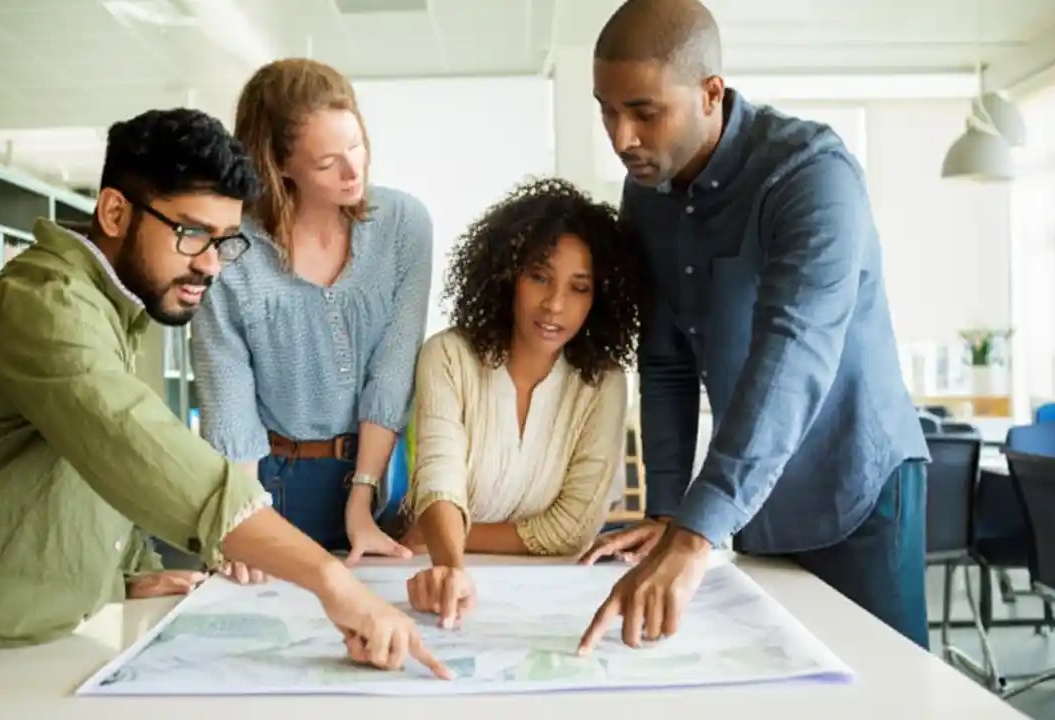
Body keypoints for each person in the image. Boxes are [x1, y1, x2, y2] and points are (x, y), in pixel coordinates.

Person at [0, 108, 449, 718]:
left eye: (224, 243)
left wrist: (129, 569)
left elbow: (78, 464)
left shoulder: (118, 306)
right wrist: (333, 585)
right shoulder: (47, 305)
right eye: (191, 233)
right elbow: (131, 442)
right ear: (115, 211)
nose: (208, 263)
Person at [577, 0, 931, 654]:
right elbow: (666, 361)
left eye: (644, 112)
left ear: (711, 93)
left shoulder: (810, 175)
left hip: (854, 482)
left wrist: (695, 533)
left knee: (887, 685)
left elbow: (792, 358)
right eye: (606, 108)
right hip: (751, 495)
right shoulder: (644, 194)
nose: (620, 135)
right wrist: (666, 509)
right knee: (788, 680)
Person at [192, 58, 432, 564]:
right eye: (327, 163)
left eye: (357, 146)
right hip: (266, 484)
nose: (353, 171)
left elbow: (392, 372)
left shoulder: (403, 225)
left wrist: (362, 502)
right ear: (278, 166)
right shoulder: (232, 253)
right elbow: (229, 403)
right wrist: (243, 520)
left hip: (379, 478)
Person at [396, 178, 641, 627]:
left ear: (599, 298)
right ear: (509, 276)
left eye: (579, 288)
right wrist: (449, 567)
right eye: (540, 277)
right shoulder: (448, 356)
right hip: (435, 585)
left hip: (545, 601)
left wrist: (445, 539)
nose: (554, 304)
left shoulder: (603, 383)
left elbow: (571, 530)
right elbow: (439, 481)